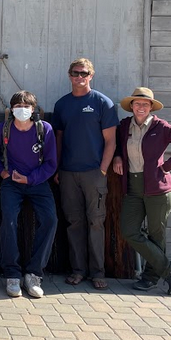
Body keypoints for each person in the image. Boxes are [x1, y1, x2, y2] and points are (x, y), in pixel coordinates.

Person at [113, 87, 171, 295]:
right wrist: (117, 156)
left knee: (156, 235)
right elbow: (115, 144)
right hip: (133, 187)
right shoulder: (124, 126)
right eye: (137, 103)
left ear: (151, 107)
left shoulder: (161, 127)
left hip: (159, 189)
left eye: (145, 104)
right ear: (131, 106)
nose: (141, 107)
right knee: (129, 230)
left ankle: (150, 278)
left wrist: (168, 166)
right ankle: (169, 268)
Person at [52, 57, 118, 290]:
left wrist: (102, 170)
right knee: (74, 222)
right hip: (68, 173)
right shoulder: (61, 105)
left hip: (93, 173)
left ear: (91, 76)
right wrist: (58, 167)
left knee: (96, 223)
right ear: (69, 75)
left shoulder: (103, 103)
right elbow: (58, 139)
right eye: (75, 73)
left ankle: (97, 272)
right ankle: (78, 270)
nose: (79, 77)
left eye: (84, 73)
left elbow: (111, 141)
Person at [0, 91, 58, 298]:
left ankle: (34, 273)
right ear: (11, 109)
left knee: (50, 220)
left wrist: (31, 179)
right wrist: (3, 172)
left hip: (38, 182)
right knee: (8, 219)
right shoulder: (3, 129)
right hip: (11, 184)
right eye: (17, 105)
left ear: (33, 109)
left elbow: (51, 163)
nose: (22, 109)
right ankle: (12, 273)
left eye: (26, 106)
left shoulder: (44, 129)